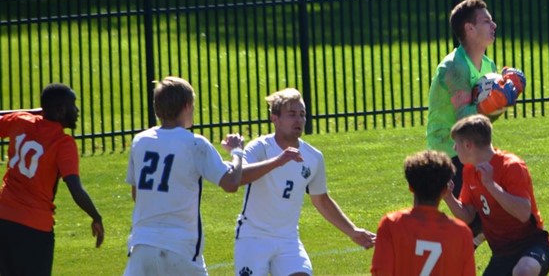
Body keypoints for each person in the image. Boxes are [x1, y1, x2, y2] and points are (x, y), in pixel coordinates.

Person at [233, 88, 375, 276]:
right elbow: (238, 177)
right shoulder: (260, 148)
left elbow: (321, 200)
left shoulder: (313, 157)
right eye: (291, 114)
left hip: (288, 240)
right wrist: (278, 161)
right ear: (274, 119)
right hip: (252, 238)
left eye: (302, 114)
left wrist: (352, 230)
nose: (299, 120)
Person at [124, 76, 245, 276]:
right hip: (180, 248)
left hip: (141, 246)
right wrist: (237, 152)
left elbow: (137, 194)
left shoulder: (140, 141)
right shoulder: (194, 143)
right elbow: (231, 183)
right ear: (187, 105)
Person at [0, 84, 104, 276]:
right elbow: (75, 188)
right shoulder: (63, 143)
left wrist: (31, 112)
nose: (77, 111)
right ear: (60, 110)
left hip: (3, 218)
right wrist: (96, 217)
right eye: (73, 105)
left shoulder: (21, 120)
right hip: (35, 228)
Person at [426, 0, 520, 196]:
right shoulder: (454, 67)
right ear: (469, 29)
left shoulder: (489, 66)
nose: (494, 25)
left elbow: (482, 120)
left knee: (489, 211)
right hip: (449, 152)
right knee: (475, 215)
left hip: (472, 148)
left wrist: (503, 102)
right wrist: (493, 102)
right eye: (486, 21)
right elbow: (463, 121)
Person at [443, 115, 549, 276]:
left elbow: (523, 213)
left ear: (467, 145)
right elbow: (467, 215)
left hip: (531, 244)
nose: (454, 148)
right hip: (501, 253)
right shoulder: (469, 170)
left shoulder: (511, 166)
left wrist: (491, 186)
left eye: (456, 143)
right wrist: (447, 196)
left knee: (524, 271)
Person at [371, 150, 475, 276]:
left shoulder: (391, 224)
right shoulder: (461, 233)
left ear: (410, 186)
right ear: (445, 190)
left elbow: (381, 271)